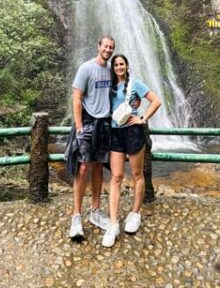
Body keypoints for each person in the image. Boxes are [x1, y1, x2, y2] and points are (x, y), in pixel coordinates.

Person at [102, 53, 162, 248]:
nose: (119, 67)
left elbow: (156, 101)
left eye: (122, 64)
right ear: (113, 68)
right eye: (116, 64)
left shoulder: (135, 84)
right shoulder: (109, 87)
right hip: (115, 133)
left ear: (127, 66)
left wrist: (142, 118)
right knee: (116, 177)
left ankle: (135, 213)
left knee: (137, 174)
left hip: (133, 132)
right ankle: (113, 223)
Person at [66, 35, 116, 241]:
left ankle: (95, 210)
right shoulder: (86, 68)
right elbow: (76, 97)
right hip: (87, 122)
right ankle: (76, 216)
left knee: (97, 167)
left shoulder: (111, 70)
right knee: (83, 167)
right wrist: (79, 126)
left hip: (104, 124)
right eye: (106, 46)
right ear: (98, 46)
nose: (108, 50)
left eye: (111, 47)